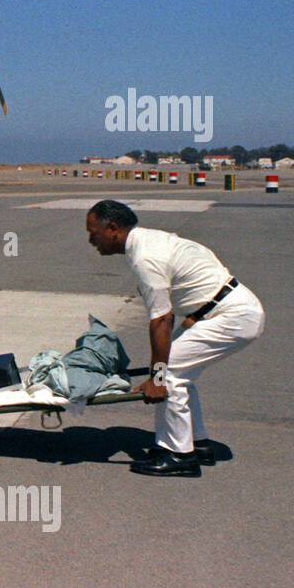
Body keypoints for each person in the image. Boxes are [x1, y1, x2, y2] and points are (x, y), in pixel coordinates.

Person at [85, 199, 264, 476]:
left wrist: (157, 379)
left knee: (167, 375)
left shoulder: (145, 257)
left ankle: (179, 456)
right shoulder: (153, 240)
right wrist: (197, 313)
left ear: (113, 229)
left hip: (233, 316)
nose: (90, 240)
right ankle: (196, 443)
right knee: (178, 372)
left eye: (93, 232)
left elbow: (161, 320)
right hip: (222, 310)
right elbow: (203, 266)